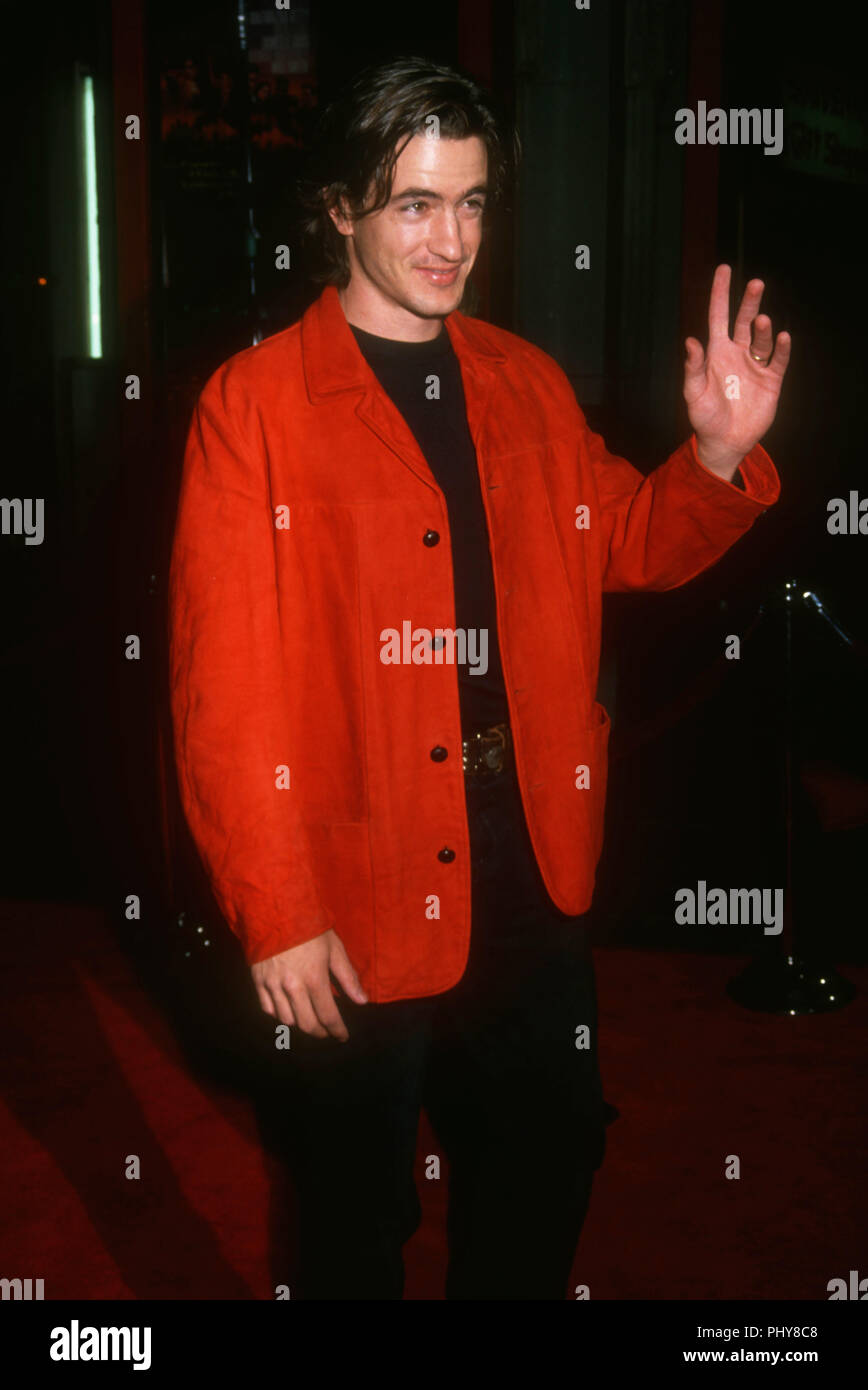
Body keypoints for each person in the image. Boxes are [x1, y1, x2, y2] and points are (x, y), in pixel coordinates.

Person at [168, 56, 789, 1299]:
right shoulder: (254, 407)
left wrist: (716, 454)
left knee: (544, 1170)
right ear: (341, 207)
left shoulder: (524, 382)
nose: (450, 239)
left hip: (529, 866)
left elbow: (619, 538)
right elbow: (219, 688)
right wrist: (275, 907)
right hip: (355, 883)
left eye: (471, 202)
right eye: (413, 203)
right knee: (354, 1215)